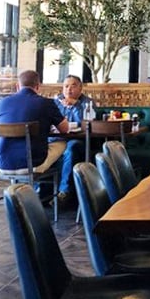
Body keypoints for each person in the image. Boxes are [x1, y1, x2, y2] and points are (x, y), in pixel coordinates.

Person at [0, 69, 68, 175]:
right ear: (38, 86)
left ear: (18, 86)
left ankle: (24, 188)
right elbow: (65, 129)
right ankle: (53, 187)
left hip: (2, 164)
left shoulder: (1, 103)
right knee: (62, 143)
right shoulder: (46, 103)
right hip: (33, 164)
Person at [53, 75, 92, 205]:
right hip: (57, 139)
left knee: (71, 148)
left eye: (73, 86)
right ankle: (38, 192)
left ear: (80, 88)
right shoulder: (56, 102)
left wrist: (76, 105)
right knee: (39, 146)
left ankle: (64, 193)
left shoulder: (87, 103)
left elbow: (85, 124)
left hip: (78, 140)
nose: (69, 89)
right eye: (66, 86)